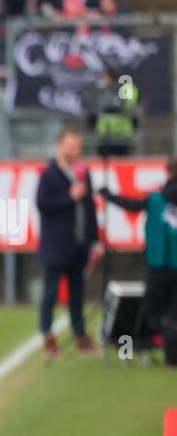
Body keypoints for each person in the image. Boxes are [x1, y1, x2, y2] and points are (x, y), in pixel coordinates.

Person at [35, 128, 104, 359]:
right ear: (60, 145)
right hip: (56, 245)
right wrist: (69, 197)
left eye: (78, 146)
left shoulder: (83, 173)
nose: (76, 150)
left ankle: (81, 335)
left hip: (79, 244)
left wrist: (95, 239)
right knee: (50, 293)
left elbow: (90, 209)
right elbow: (43, 204)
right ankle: (47, 335)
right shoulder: (49, 174)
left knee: (77, 293)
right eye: (72, 145)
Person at [100, 159, 177, 365]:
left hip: (158, 265)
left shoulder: (154, 199)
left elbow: (130, 205)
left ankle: (133, 348)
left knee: (150, 313)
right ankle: (171, 356)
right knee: (173, 315)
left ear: (168, 173)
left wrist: (108, 195)